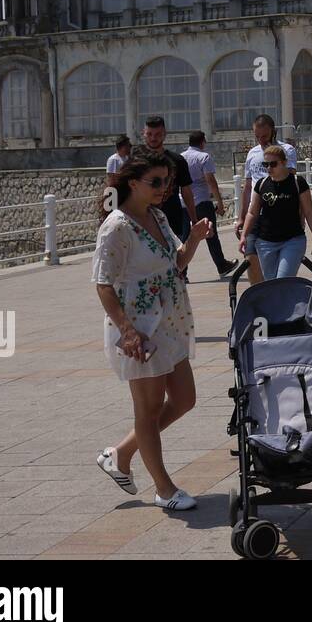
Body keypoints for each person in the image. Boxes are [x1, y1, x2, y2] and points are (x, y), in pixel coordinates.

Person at [92, 149, 214, 512]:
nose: (164, 188)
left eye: (168, 182)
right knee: (146, 412)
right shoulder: (116, 227)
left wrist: (193, 239)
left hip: (170, 324)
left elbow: (176, 262)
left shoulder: (157, 216)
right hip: (140, 330)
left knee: (185, 399)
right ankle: (164, 488)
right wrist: (128, 332)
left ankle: (120, 453)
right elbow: (103, 284)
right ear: (133, 183)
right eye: (156, 182)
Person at [240, 145, 312, 280]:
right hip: (265, 242)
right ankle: (290, 301)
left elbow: (309, 212)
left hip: (292, 240)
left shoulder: (297, 182)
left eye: (273, 164)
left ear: (284, 162)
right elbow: (252, 213)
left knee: (283, 279)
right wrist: (244, 236)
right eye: (266, 164)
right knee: (271, 284)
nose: (269, 168)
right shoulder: (262, 184)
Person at [236, 114, 297, 284]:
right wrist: (241, 217)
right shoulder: (252, 154)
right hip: (255, 213)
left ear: (273, 131)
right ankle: (258, 295)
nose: (261, 140)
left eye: (264, 136)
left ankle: (277, 292)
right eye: (257, 136)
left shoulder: (286, 151)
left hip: (278, 212)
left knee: (276, 265)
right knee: (250, 256)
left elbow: (291, 181)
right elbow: (247, 187)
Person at [181, 131, 238, 277]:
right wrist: (219, 202)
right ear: (202, 142)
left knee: (185, 237)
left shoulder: (180, 157)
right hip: (201, 201)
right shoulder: (203, 157)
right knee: (211, 235)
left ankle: (181, 271)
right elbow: (210, 180)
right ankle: (221, 265)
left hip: (184, 203)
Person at [135, 117, 196, 245]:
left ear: (164, 134)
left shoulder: (177, 160)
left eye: (157, 134)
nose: (153, 138)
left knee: (176, 262)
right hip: (141, 221)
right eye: (149, 134)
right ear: (143, 134)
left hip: (171, 221)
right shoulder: (135, 160)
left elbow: (187, 192)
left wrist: (194, 220)